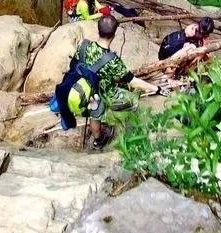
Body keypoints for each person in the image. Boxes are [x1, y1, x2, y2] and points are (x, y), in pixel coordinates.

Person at [65, 14, 158, 149]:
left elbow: (73, 64)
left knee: (94, 111)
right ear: (113, 35)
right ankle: (129, 127)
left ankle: (98, 140)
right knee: (133, 100)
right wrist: (155, 88)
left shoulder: (83, 46)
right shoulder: (113, 61)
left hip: (82, 88)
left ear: (98, 31)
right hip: (102, 93)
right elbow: (132, 81)